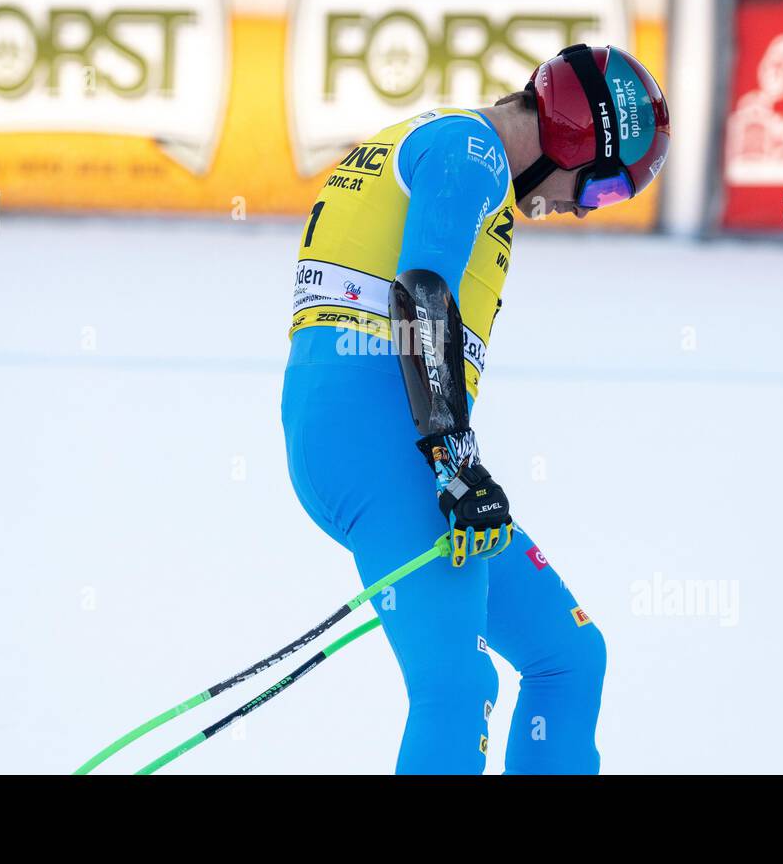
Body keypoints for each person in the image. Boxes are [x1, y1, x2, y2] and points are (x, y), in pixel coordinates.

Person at [281, 44, 670, 773]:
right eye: (601, 190)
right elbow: (421, 294)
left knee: (568, 657)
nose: (583, 209)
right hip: (379, 438)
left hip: (368, 429)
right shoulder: (473, 153)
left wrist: (450, 457)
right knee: (457, 688)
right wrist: (454, 461)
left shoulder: (457, 149)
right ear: (576, 139)